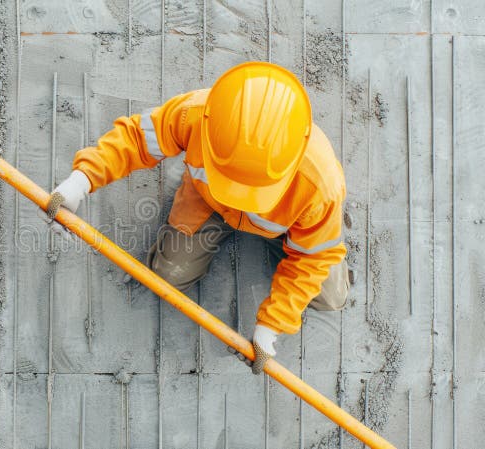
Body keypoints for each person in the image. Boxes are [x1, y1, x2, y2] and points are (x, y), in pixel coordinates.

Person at [42, 61, 349, 375]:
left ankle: (304, 238)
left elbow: (312, 261)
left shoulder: (319, 185)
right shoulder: (198, 114)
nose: (239, 195)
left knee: (331, 296)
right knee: (169, 275)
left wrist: (271, 327)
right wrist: (81, 181)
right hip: (208, 202)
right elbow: (135, 138)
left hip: (287, 226)